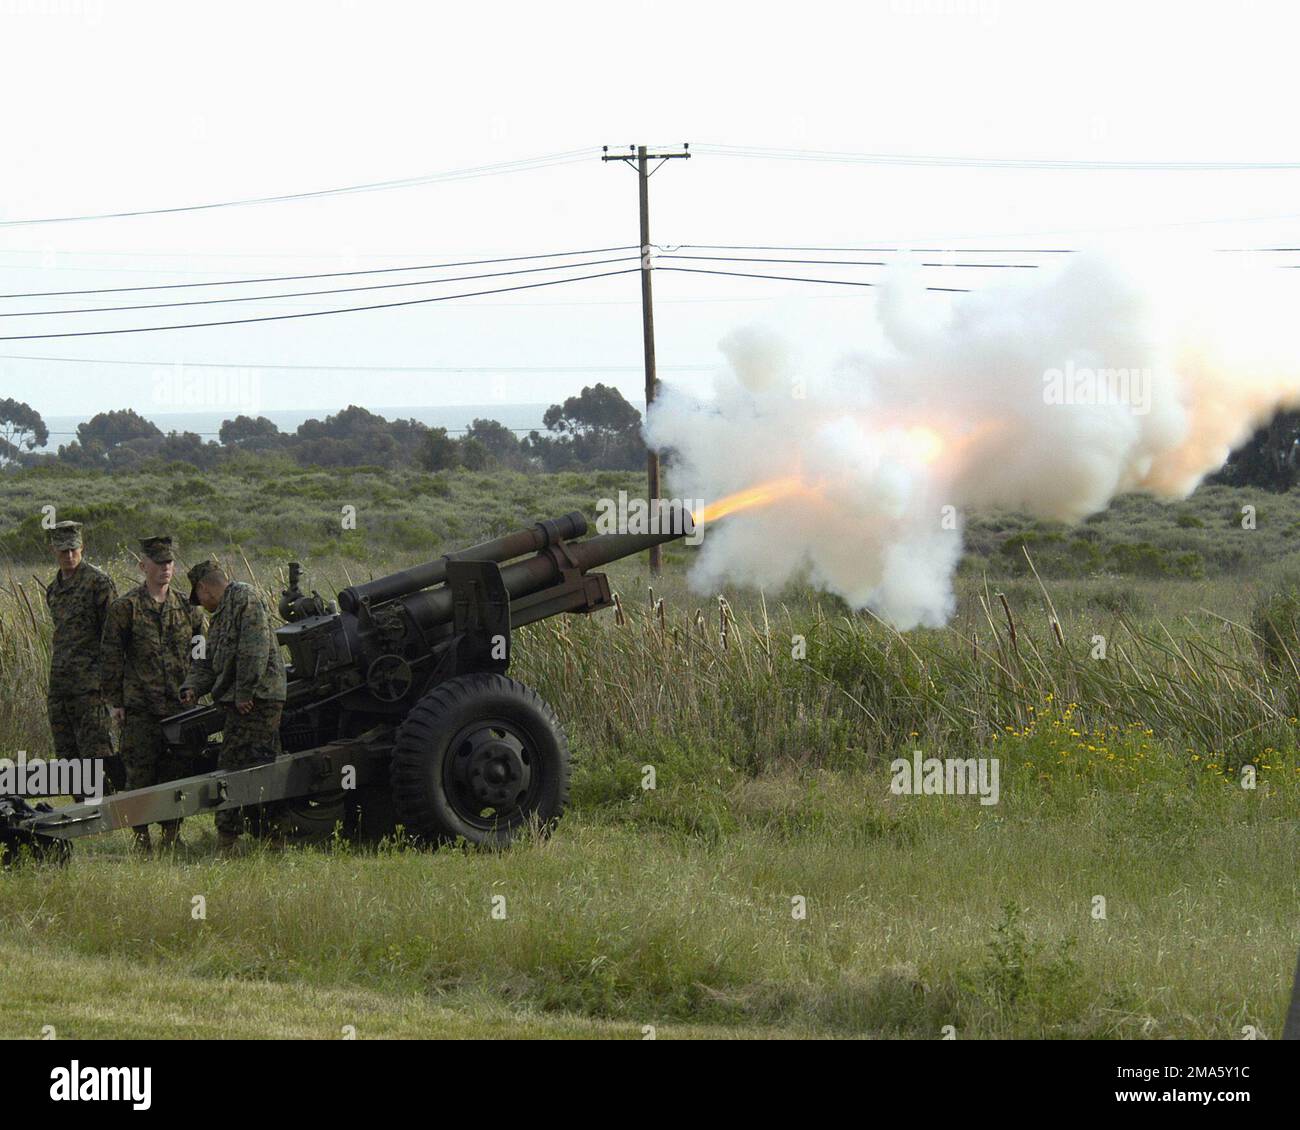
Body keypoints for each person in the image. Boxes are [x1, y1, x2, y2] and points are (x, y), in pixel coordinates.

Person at [101, 536, 206, 857]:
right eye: (159, 563)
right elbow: (110, 656)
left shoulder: (188, 608)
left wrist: (197, 688)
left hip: (180, 706)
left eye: (170, 563)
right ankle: (141, 837)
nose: (165, 569)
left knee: (176, 772)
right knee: (139, 772)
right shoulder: (126, 608)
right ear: (143, 565)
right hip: (140, 707)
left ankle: (172, 835)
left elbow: (202, 653)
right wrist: (114, 702)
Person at [180, 560, 286, 856]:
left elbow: (255, 647)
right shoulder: (220, 617)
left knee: (240, 766)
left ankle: (236, 840)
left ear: (203, 588)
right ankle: (267, 837)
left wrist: (244, 692)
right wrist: (191, 687)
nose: (200, 604)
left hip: (258, 701)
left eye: (198, 598)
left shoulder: (243, 597)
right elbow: (208, 662)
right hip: (244, 702)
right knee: (253, 765)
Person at [44, 520, 121, 800]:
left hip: (91, 685)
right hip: (61, 684)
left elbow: (113, 636)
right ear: (54, 550)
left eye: (74, 549)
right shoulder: (53, 590)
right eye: (63, 550)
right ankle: (82, 807)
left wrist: (110, 685)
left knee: (98, 750)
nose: (69, 555)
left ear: (82, 547)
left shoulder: (98, 583)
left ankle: (112, 808)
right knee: (67, 752)